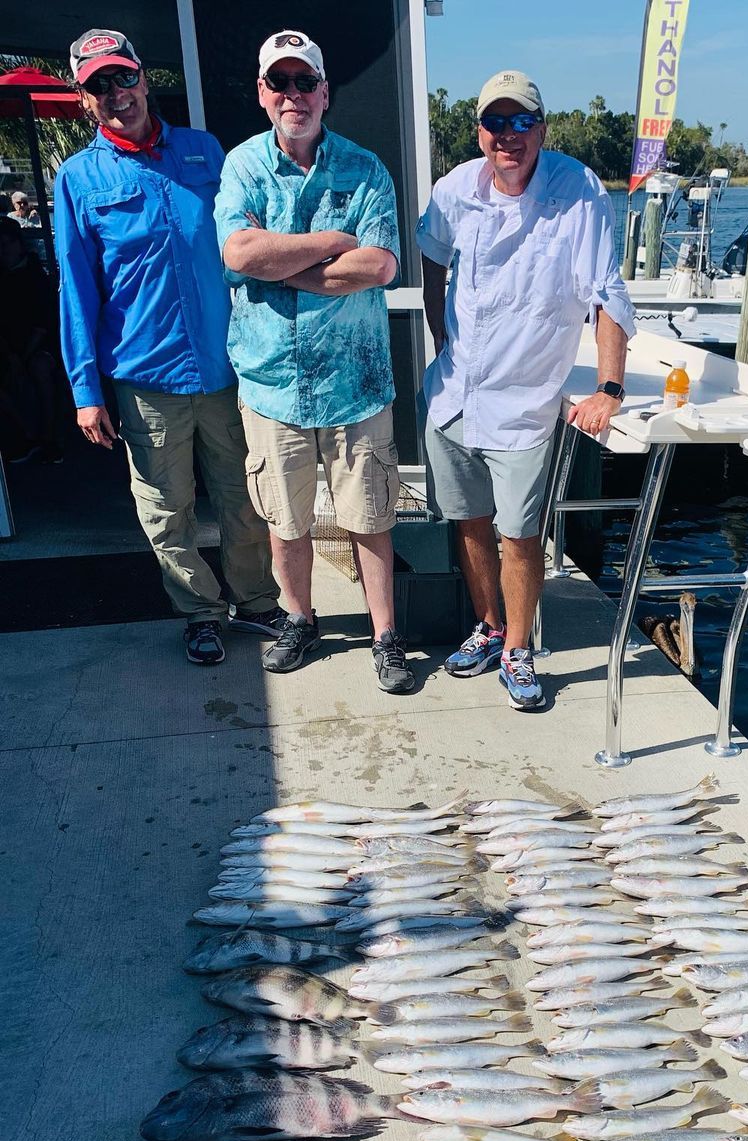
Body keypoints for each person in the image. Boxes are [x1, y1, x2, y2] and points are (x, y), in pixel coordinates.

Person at [53, 27, 282, 665]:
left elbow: (249, 244)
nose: (116, 93)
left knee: (245, 496)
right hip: (146, 379)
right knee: (166, 509)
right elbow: (76, 288)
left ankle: (256, 601)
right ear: (84, 99)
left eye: (123, 77)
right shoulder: (77, 178)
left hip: (228, 366)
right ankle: (200, 612)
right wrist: (86, 391)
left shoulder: (205, 152)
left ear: (144, 79)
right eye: (99, 85)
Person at [417, 70, 634, 712]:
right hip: (455, 391)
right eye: (494, 122)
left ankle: (518, 647)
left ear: (541, 128)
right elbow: (431, 256)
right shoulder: (455, 188)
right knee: (469, 519)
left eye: (520, 122)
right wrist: (440, 337)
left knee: (519, 532)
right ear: (479, 131)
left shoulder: (580, 190)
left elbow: (607, 291)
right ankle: (488, 627)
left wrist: (609, 387)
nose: (506, 136)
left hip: (524, 399)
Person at [214, 30, 413, 689]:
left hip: (357, 382)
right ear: (262, 93)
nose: (293, 94)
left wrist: (280, 266)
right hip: (271, 383)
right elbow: (239, 253)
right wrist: (331, 241)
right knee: (287, 518)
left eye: (306, 82)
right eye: (280, 82)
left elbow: (378, 266)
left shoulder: (367, 168)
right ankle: (300, 619)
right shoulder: (242, 166)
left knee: (371, 517)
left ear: (325, 93)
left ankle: (386, 635)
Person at [0, 216, 64, 463]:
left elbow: (43, 324)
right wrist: (11, 356)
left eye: (7, 243)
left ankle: (48, 438)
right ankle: (26, 435)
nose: (3, 250)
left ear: (19, 244)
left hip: (39, 345)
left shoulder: (36, 275)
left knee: (40, 368)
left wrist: (24, 356)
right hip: (8, 347)